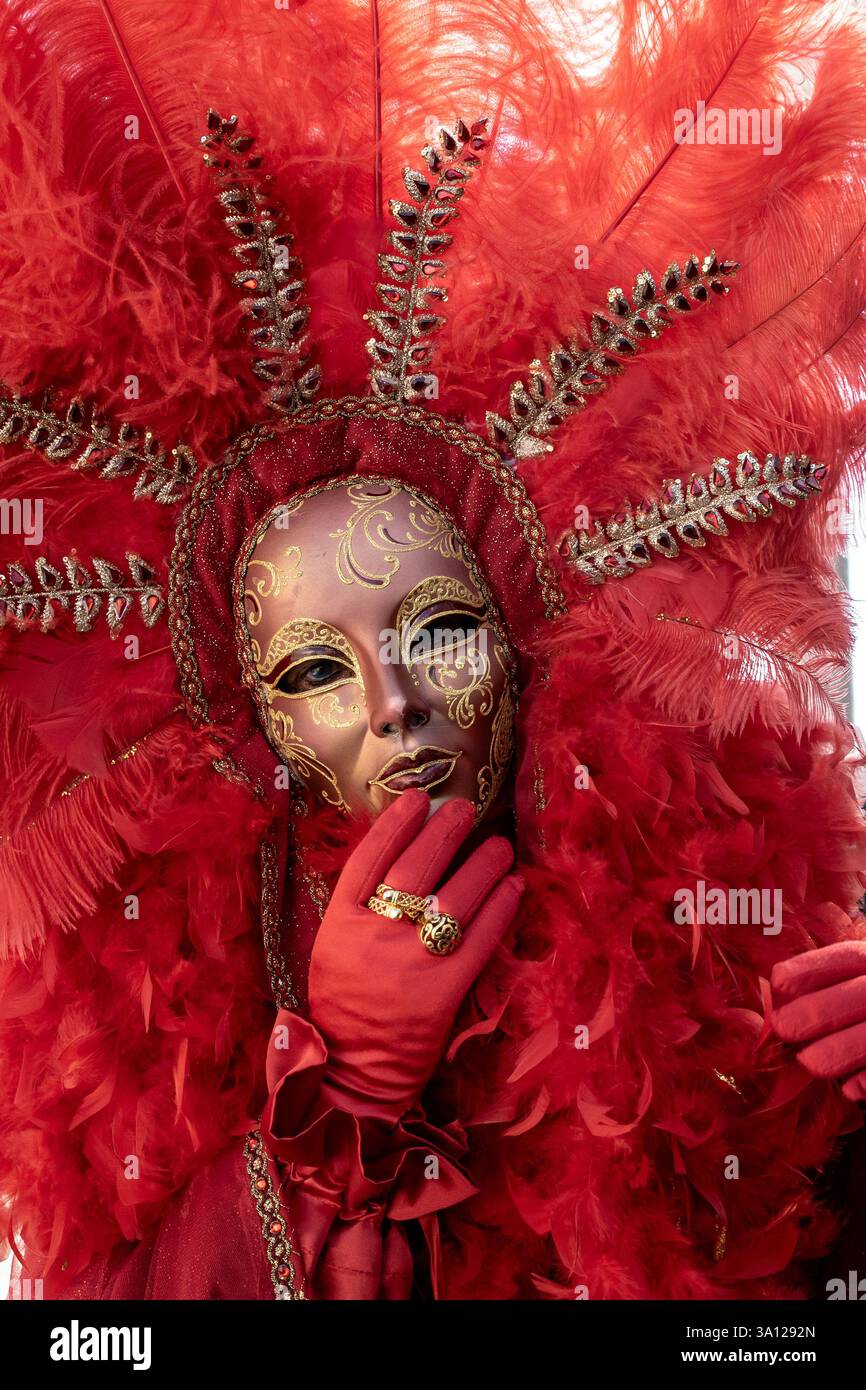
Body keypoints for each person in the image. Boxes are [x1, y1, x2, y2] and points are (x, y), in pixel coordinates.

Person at [1, 0, 865, 1301]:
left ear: (524, 638)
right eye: (311, 670)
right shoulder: (143, 969)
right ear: (247, 709)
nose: (396, 707)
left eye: (442, 630)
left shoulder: (717, 868)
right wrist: (336, 1096)